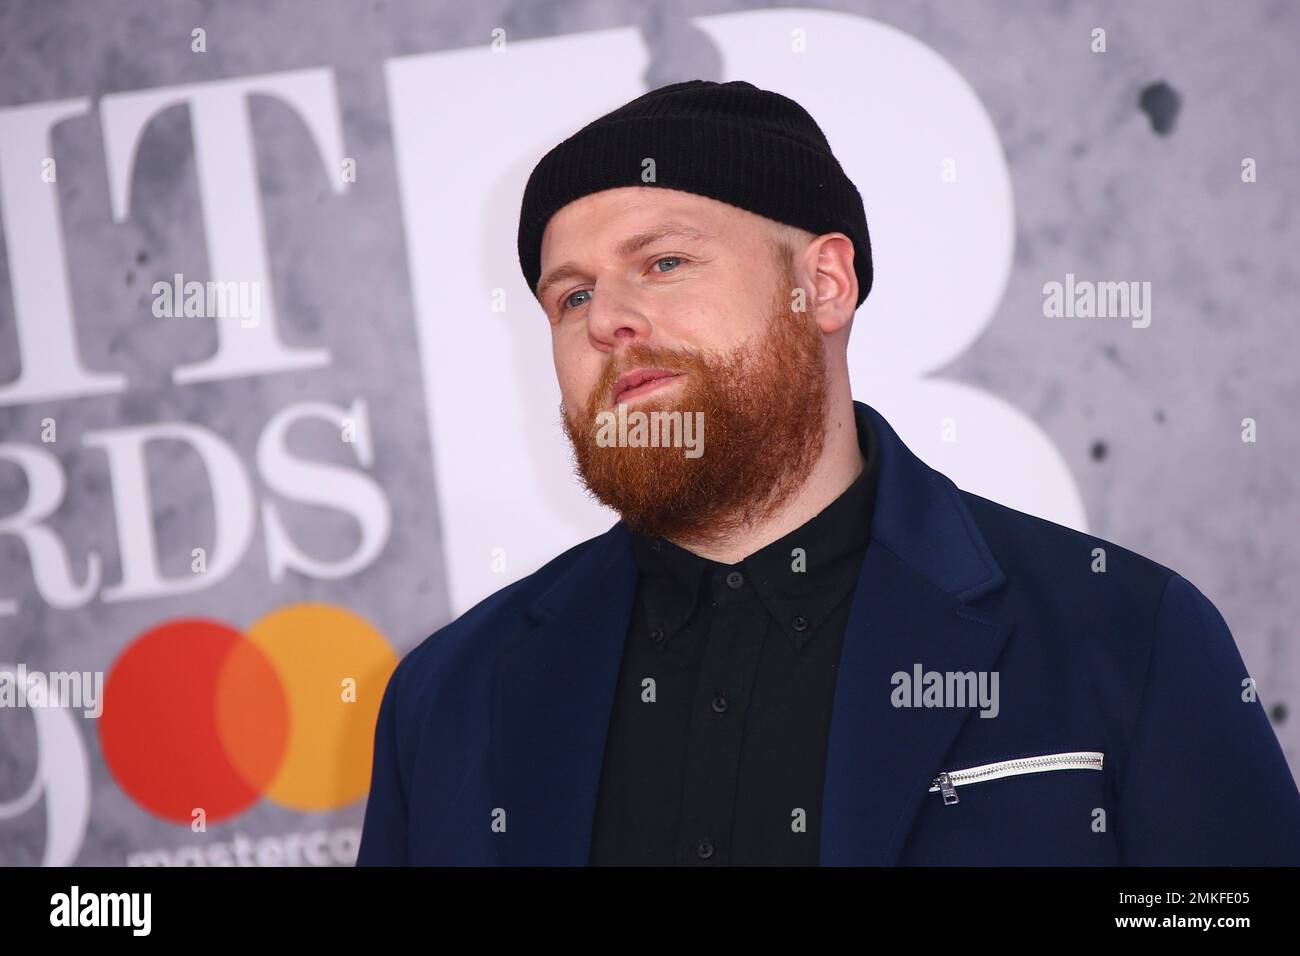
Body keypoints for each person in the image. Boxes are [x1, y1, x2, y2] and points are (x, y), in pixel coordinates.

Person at [356, 79, 1300, 865]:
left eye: (666, 261)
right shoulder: (447, 702)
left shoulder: (1124, 634)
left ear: (826, 285)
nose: (606, 318)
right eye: (571, 295)